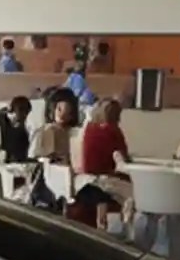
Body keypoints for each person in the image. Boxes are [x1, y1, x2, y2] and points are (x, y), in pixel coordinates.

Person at [78, 98, 134, 230]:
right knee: (135, 193)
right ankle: (127, 226)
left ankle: (103, 223)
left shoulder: (89, 128)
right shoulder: (113, 130)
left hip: (86, 178)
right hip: (104, 178)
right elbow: (122, 159)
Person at [31, 88, 78, 164]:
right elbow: (39, 159)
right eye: (59, 109)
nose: (62, 115)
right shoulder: (45, 131)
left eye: (67, 110)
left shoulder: (75, 132)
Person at [0, 96, 32, 163]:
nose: (25, 116)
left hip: (18, 161)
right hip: (8, 160)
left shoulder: (23, 128)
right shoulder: (4, 121)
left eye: (27, 113)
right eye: (25, 113)